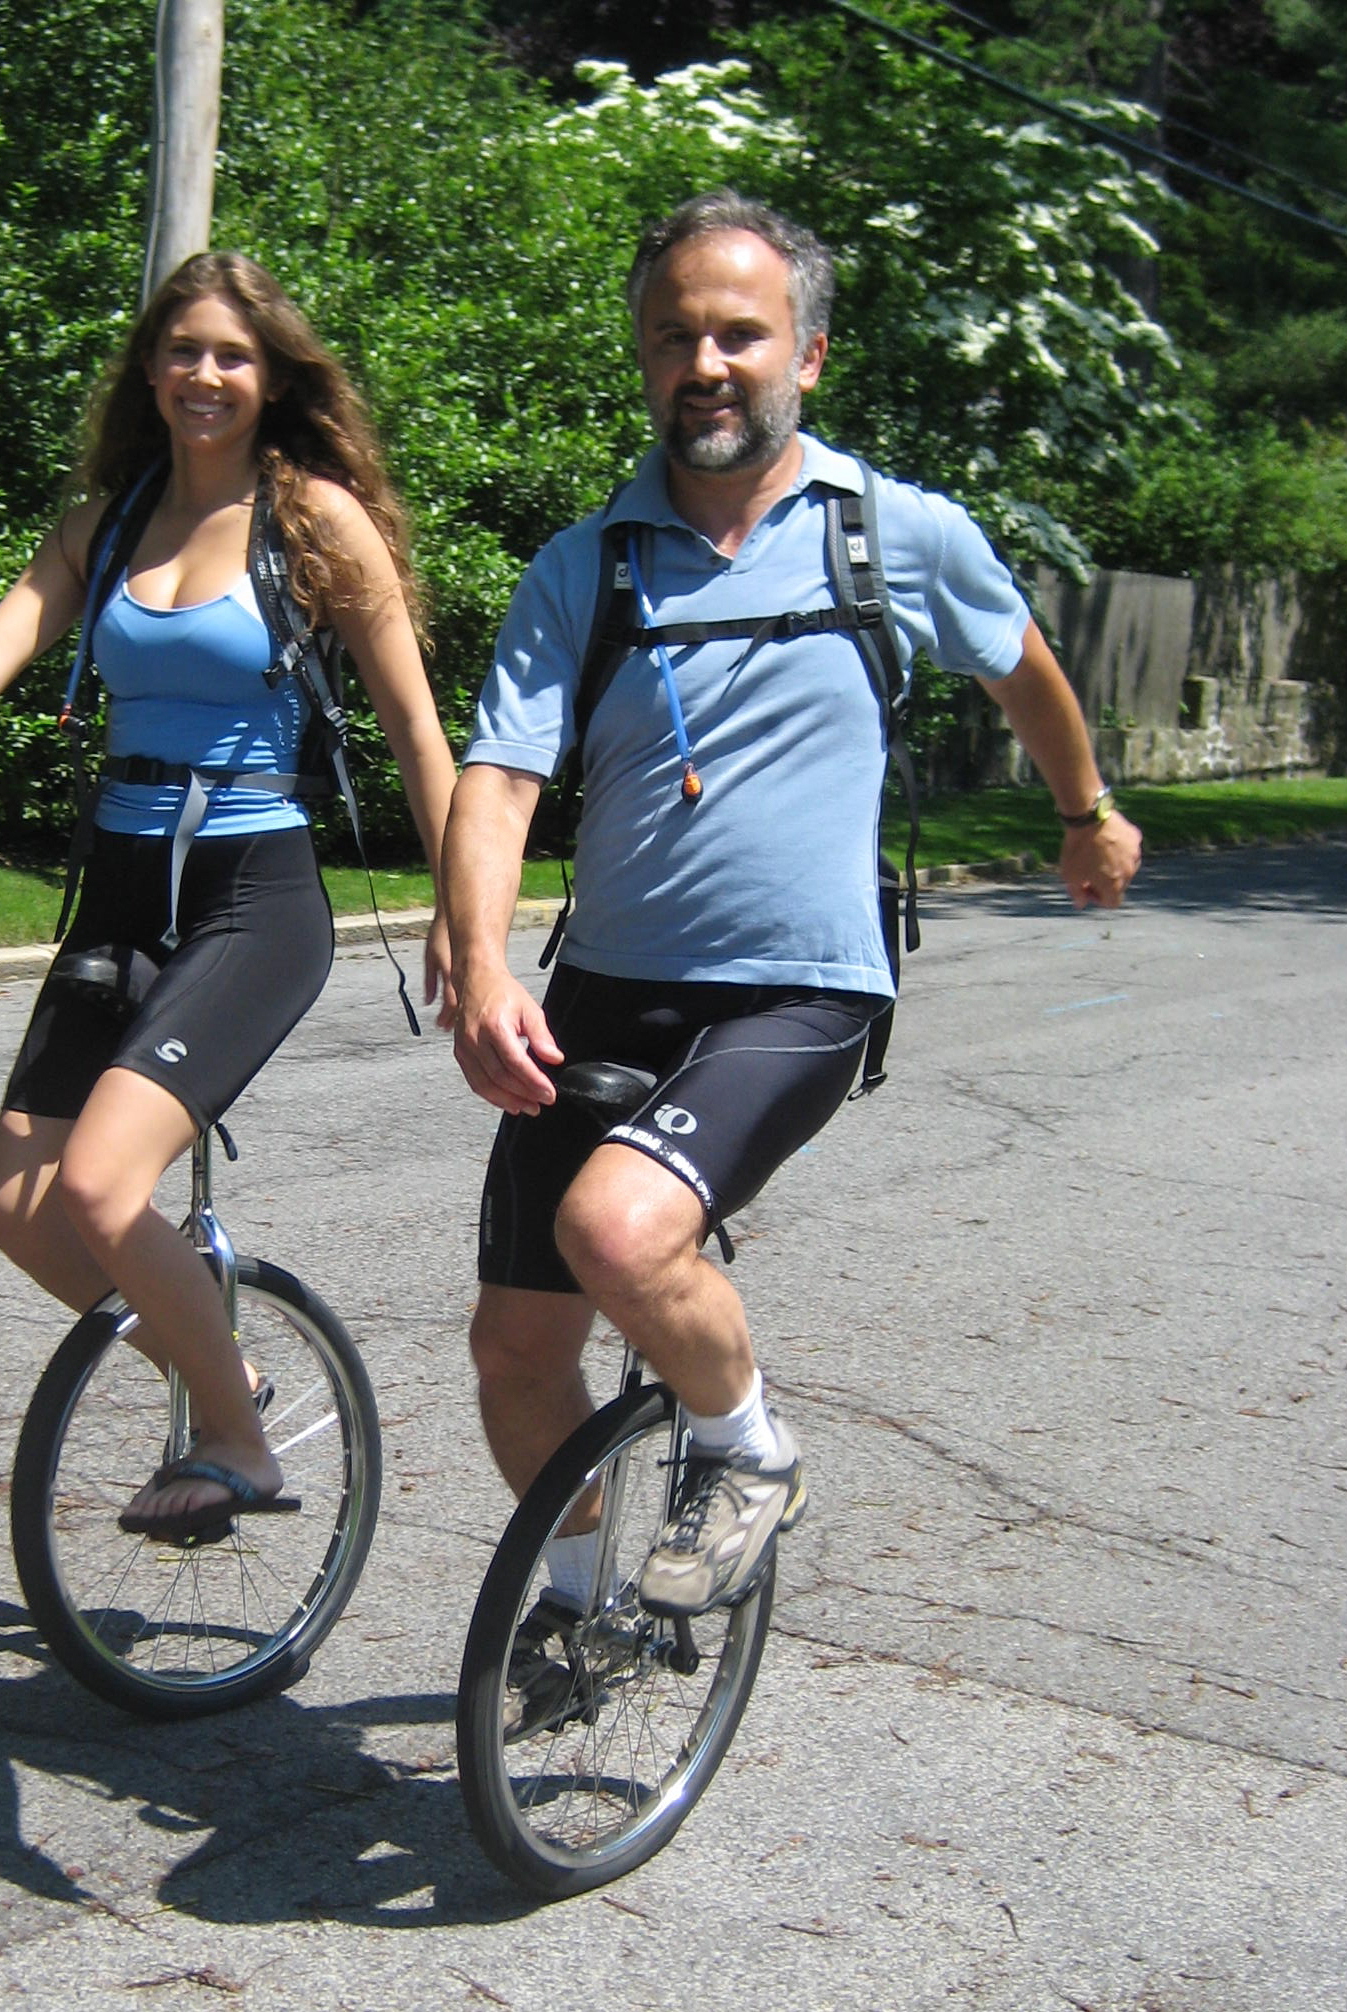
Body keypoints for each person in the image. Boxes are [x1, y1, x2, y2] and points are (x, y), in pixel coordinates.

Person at [442, 191, 1141, 1676]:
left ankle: (747, 1446)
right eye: (671, 336)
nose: (704, 360)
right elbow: (497, 780)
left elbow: (1021, 666)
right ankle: (581, 1608)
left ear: (807, 354)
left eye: (737, 333)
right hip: (606, 992)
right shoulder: (584, 568)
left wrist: (1085, 810)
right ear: (641, 363)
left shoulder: (894, 535)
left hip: (797, 994)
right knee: (515, 1345)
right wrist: (486, 961)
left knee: (618, 1229)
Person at [0, 251, 456, 1538]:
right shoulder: (107, 521)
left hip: (252, 892)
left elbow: (413, 728)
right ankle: (224, 1367)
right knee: (16, 1208)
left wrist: (464, 912)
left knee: (101, 1183)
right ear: (149, 367)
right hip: (123, 887)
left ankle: (237, 1442)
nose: (204, 374)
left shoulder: (314, 521)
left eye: (231, 355)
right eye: (182, 349)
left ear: (272, 375)